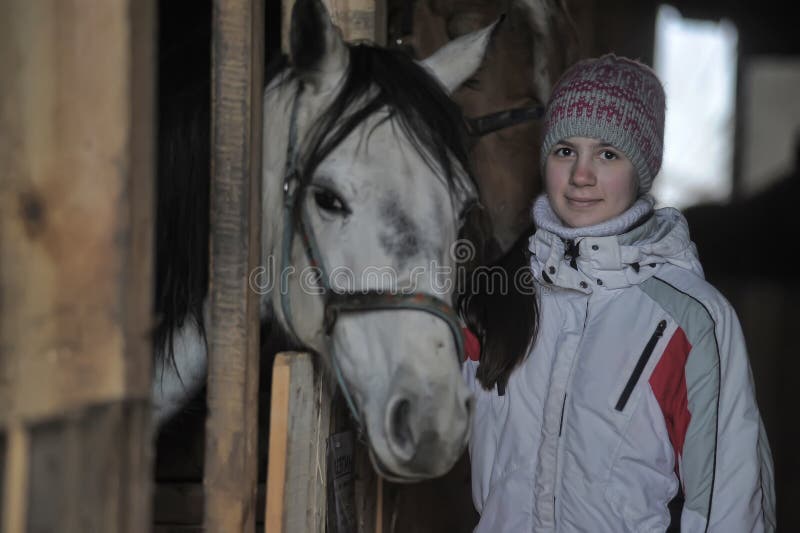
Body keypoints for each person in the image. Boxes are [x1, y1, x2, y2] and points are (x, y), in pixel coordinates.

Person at [462, 54, 776, 532]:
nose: (581, 175)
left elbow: (729, 503)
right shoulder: (498, 294)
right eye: (565, 150)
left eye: (608, 154)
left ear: (642, 168)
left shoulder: (690, 320)